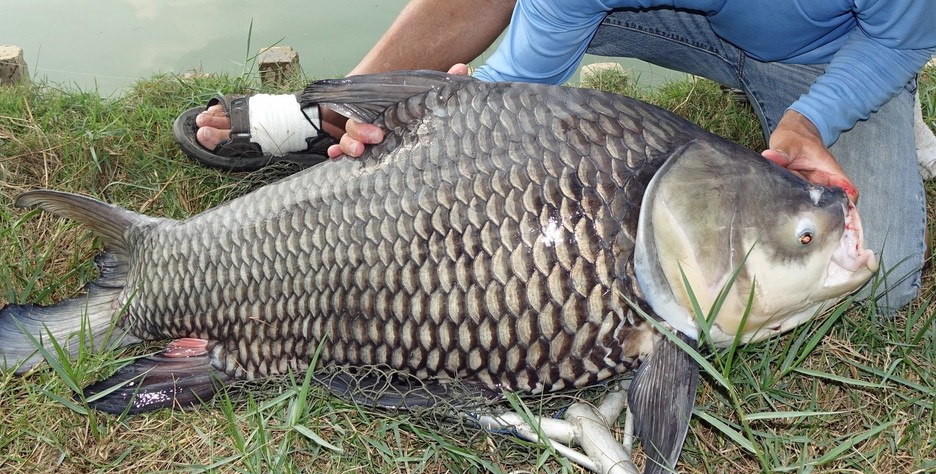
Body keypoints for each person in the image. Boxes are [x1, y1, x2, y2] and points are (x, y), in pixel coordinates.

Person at [175, 0, 936, 313]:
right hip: (660, 18)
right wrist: (435, 123)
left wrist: (814, 117)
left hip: (821, 48)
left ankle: (887, 117)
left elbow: (903, 33)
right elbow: (520, 83)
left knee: (884, 272)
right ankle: (347, 114)